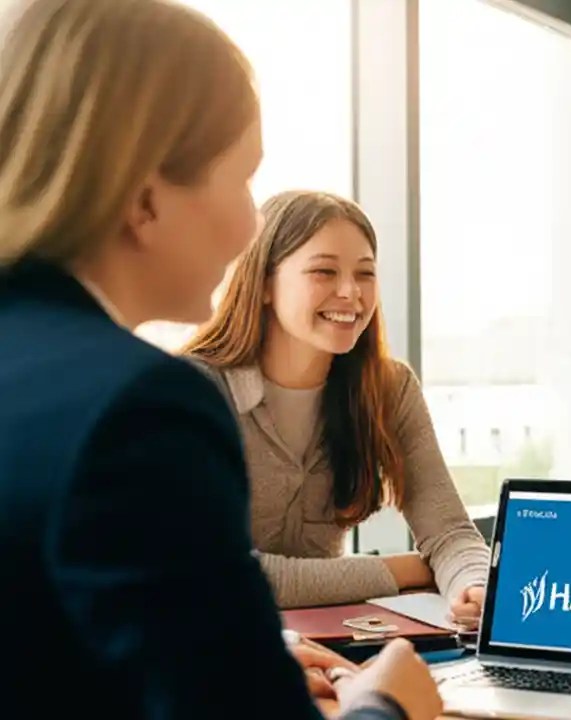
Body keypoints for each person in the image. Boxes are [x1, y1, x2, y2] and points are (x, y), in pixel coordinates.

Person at [0, 1, 441, 717]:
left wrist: (230, 653)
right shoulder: (142, 408)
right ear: (144, 197)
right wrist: (389, 702)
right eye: (241, 180)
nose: (247, 228)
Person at [184, 190, 490, 620]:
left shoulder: (390, 388)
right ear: (265, 283)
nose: (351, 292)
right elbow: (224, 570)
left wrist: (472, 585)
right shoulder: (194, 391)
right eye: (324, 271)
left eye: (365, 274)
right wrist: (400, 570)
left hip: (335, 644)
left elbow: (450, 533)